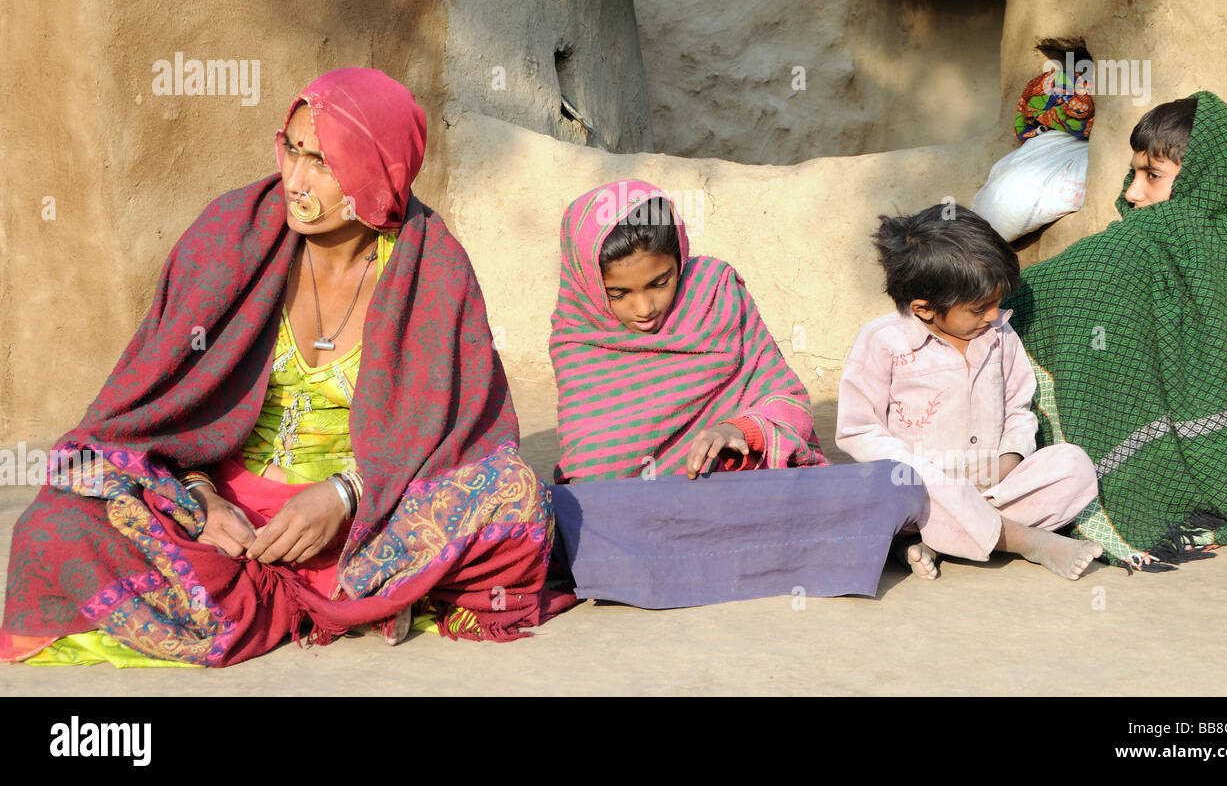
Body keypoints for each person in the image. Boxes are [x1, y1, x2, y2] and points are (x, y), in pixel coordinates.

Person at [1, 67, 570, 667]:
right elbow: (161, 409)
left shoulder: (432, 269)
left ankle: (350, 584)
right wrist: (203, 500)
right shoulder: (229, 237)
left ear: (377, 172)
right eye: (292, 151)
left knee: (516, 496)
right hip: (227, 517)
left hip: (367, 523)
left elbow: (456, 434)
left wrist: (346, 496)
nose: (295, 181)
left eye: (323, 163)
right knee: (61, 515)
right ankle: (367, 600)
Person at [1010, 91, 1227, 569]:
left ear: (1209, 181)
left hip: (1220, 455)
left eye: (1152, 177)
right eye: (1134, 173)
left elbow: (1042, 288)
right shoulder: (1150, 244)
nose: (1134, 193)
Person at [836, 204, 1103, 580]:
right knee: (919, 492)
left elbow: (1018, 405)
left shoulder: (999, 335)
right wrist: (930, 474)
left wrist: (1011, 456)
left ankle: (948, 538)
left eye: (997, 303)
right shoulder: (882, 342)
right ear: (925, 309)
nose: (993, 315)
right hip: (922, 492)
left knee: (1073, 466)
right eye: (980, 308)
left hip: (993, 485)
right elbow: (858, 431)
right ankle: (1030, 542)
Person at [549, 179, 826, 482]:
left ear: (680, 257)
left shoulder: (715, 295)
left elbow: (787, 401)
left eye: (659, 283)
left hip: (734, 491)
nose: (644, 308)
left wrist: (738, 430)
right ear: (587, 283)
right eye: (618, 293)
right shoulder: (578, 336)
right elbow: (587, 465)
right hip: (630, 516)